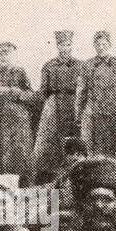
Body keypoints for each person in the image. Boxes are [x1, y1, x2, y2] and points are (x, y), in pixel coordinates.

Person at [33, 31, 87, 184]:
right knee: (52, 139)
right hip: (54, 103)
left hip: (73, 102)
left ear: (71, 46)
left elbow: (84, 88)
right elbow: (43, 90)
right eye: (62, 45)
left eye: (68, 45)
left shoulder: (80, 65)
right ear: (57, 46)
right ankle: (51, 176)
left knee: (74, 136)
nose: (65, 48)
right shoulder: (49, 66)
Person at [0, 42, 38, 181]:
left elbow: (31, 95)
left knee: (19, 151)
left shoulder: (19, 72)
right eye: (0, 53)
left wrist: (14, 92)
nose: (3, 56)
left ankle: (23, 181)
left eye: (7, 53)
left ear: (12, 55)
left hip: (18, 119)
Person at [79, 30, 116, 163]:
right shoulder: (87, 66)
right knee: (94, 150)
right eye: (98, 45)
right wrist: (79, 115)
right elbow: (81, 92)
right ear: (94, 46)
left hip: (115, 112)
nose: (101, 47)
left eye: (104, 44)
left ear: (109, 45)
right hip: (95, 113)